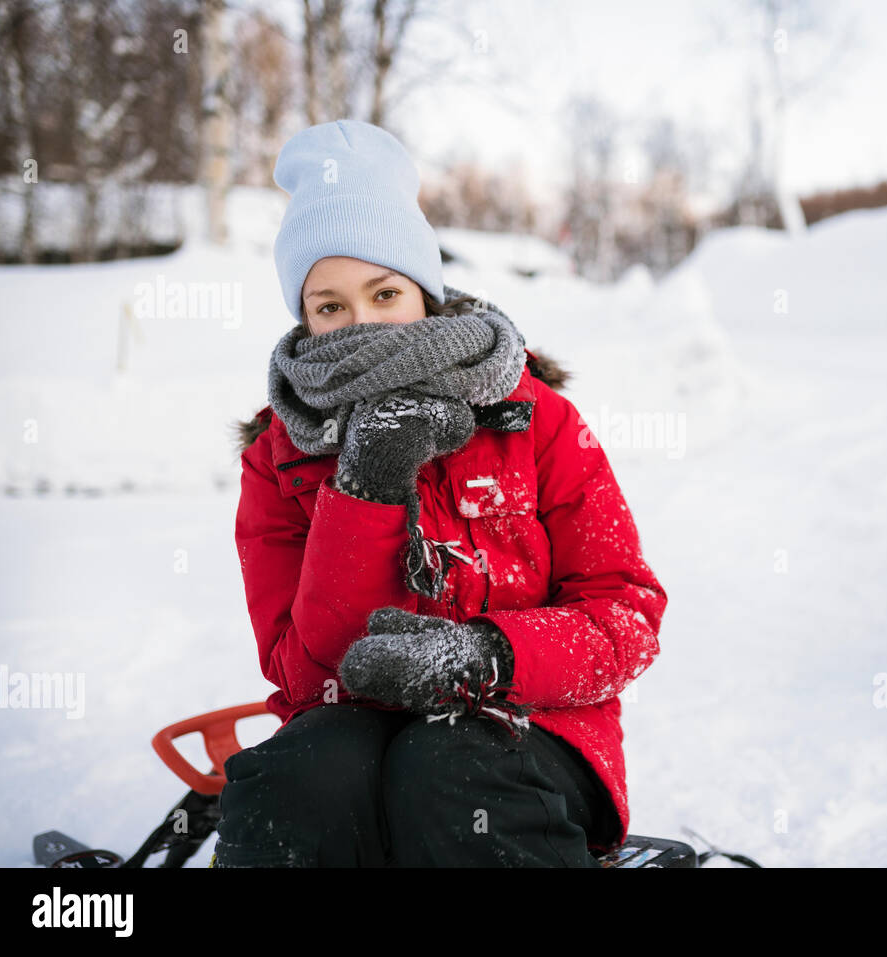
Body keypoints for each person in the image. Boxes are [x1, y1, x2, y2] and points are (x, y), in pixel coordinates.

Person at [214, 119, 667, 866]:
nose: (360, 326)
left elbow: (627, 615)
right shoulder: (279, 455)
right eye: (330, 306)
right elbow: (301, 670)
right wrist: (365, 488)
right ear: (304, 316)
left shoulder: (534, 418)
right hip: (350, 728)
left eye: (383, 293)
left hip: (529, 730)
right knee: (301, 776)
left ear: (422, 292)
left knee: (445, 766)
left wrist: (487, 654)